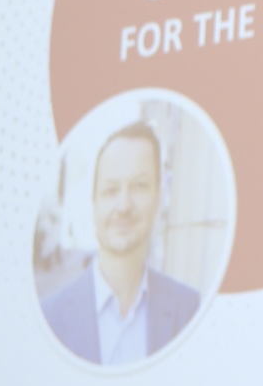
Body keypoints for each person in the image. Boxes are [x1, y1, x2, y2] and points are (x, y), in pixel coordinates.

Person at [41, 122, 199, 364]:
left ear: (158, 197)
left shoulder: (190, 310)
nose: (124, 206)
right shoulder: (48, 318)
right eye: (111, 190)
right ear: (94, 204)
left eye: (139, 186)